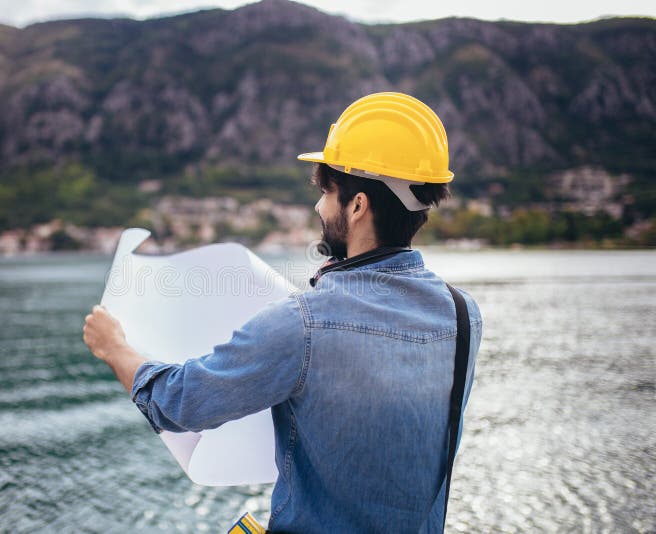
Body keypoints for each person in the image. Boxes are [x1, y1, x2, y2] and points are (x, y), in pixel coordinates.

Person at [83, 92, 482, 532]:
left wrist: (115, 348)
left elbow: (179, 404)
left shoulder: (303, 324)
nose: (318, 207)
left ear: (358, 205)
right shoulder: (464, 316)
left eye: (327, 193)